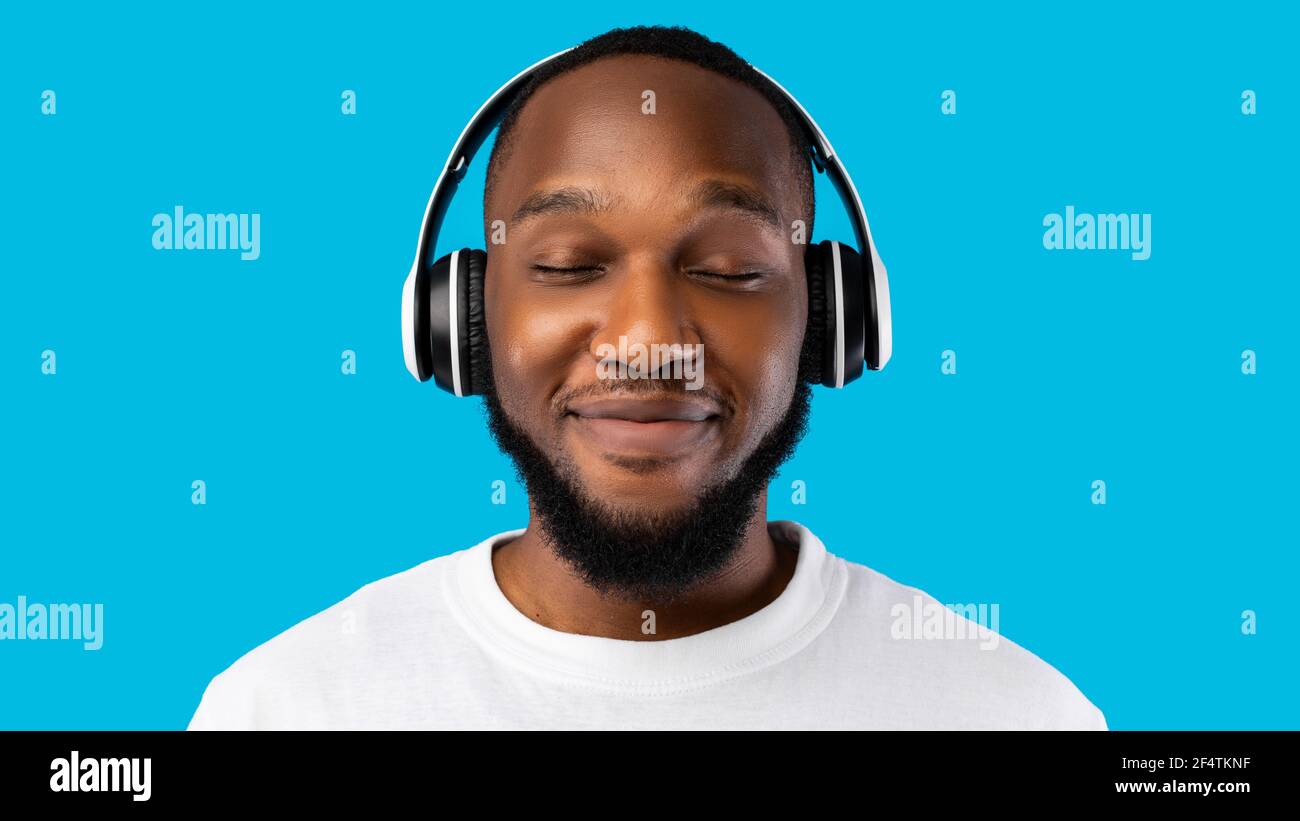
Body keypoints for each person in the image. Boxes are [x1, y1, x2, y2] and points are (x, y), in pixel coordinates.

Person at [188, 24, 1106, 730]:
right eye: (566, 263)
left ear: (829, 316)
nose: (647, 338)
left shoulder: (1015, 713)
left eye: (730, 268)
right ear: (461, 318)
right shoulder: (285, 708)